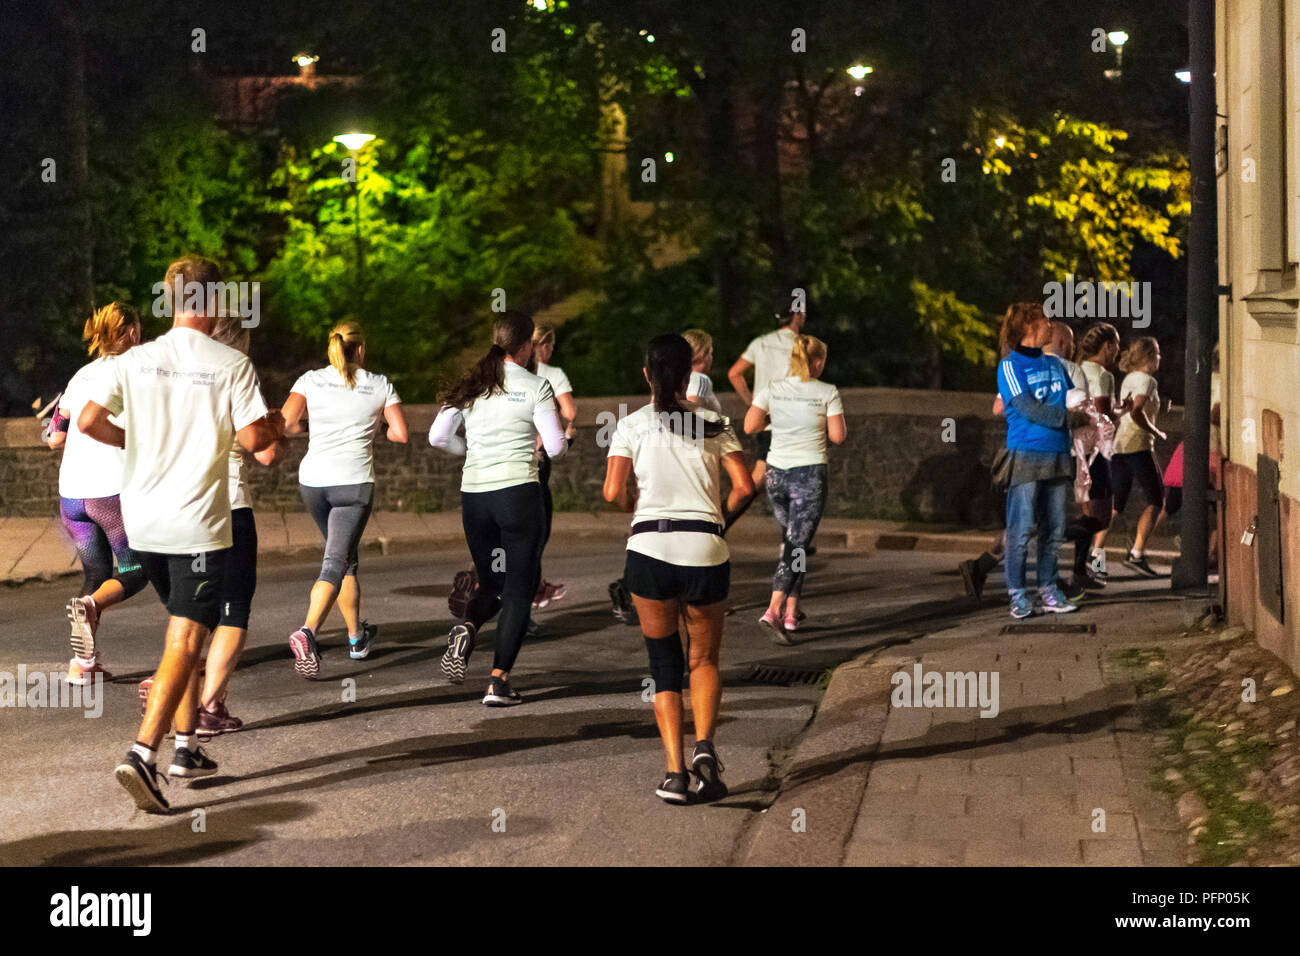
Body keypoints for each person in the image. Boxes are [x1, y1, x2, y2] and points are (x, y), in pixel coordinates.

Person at [80, 256, 282, 813]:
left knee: (182, 632)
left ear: (169, 302)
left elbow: (89, 421)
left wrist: (139, 445)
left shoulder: (136, 359)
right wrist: (274, 424)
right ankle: (143, 753)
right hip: (198, 523)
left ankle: (187, 747)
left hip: (142, 519)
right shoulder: (230, 363)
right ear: (215, 301)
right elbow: (251, 438)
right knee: (187, 638)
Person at [603, 334, 755, 804]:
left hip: (649, 549)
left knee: (663, 665)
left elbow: (612, 492)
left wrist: (637, 502)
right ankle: (706, 749)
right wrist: (716, 520)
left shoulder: (630, 426)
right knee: (704, 660)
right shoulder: (714, 424)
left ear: (646, 374)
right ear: (690, 374)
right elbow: (745, 485)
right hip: (705, 547)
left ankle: (674, 773)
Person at [429, 311, 567, 705]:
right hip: (518, 496)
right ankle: (498, 681)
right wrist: (542, 452)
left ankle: (469, 626)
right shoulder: (536, 385)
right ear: (525, 347)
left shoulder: (473, 383)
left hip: (475, 498)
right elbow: (555, 446)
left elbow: (438, 436)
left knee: (492, 583)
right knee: (519, 592)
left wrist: (469, 450)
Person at [280, 321, 407, 679]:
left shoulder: (310, 380)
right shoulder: (379, 384)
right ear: (362, 349)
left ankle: (356, 638)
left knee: (346, 558)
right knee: (335, 560)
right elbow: (399, 433)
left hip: (313, 483)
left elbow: (287, 423)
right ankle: (307, 632)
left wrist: (314, 428)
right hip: (353, 484)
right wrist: (373, 425)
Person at [46, 303, 149, 685]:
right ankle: (88, 605)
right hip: (110, 493)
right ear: (133, 333)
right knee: (137, 570)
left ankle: (82, 665)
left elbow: (54, 437)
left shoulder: (80, 376)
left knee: (96, 572)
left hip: (72, 496)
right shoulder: (137, 372)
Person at [744, 334, 845, 642]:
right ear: (816, 362)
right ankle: (773, 610)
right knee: (796, 544)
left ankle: (791, 613)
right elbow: (838, 436)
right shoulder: (827, 391)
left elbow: (750, 426)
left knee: (793, 541)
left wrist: (776, 419)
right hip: (809, 473)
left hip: (776, 473)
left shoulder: (771, 389)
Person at [994, 302, 1078, 619]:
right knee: (1021, 529)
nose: (1050, 325)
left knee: (1054, 528)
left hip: (1058, 453)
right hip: (1027, 454)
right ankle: (1017, 594)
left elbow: (1071, 398)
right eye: (1045, 320)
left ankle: (1048, 589)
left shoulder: (1055, 365)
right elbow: (1028, 408)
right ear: (1029, 327)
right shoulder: (1009, 367)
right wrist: (1069, 418)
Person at [1104, 336, 1166, 577]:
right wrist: (1155, 431)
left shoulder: (1129, 378)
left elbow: (1133, 408)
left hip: (1121, 444)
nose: (1160, 358)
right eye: (1158, 354)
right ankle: (1136, 554)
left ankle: (1093, 556)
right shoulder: (1148, 380)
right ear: (1150, 358)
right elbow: (1137, 411)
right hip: (1138, 446)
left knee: (1115, 504)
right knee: (1156, 499)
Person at [727, 298, 806, 487]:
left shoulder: (760, 343)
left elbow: (734, 374)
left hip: (763, 418)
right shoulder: (802, 345)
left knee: (773, 474)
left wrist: (751, 402)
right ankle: (732, 511)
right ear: (796, 315)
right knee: (764, 476)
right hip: (789, 418)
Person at [530, 324, 575, 610]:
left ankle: (534, 586)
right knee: (538, 529)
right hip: (539, 455)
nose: (551, 351)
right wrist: (562, 429)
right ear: (542, 345)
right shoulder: (552, 374)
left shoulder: (507, 373)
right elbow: (570, 411)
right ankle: (531, 591)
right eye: (550, 345)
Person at [1074, 322, 1123, 580]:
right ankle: (1085, 563)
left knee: (1088, 510)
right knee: (1102, 517)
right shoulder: (1103, 376)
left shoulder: (1078, 370)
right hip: (1097, 452)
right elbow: (1103, 414)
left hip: (1077, 449)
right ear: (1108, 346)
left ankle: (1082, 569)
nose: (1118, 351)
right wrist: (1121, 410)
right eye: (1116, 345)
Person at [683, 329, 723, 415]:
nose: (711, 358)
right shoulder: (699, 379)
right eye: (711, 353)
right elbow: (690, 415)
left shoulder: (671, 378)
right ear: (704, 355)